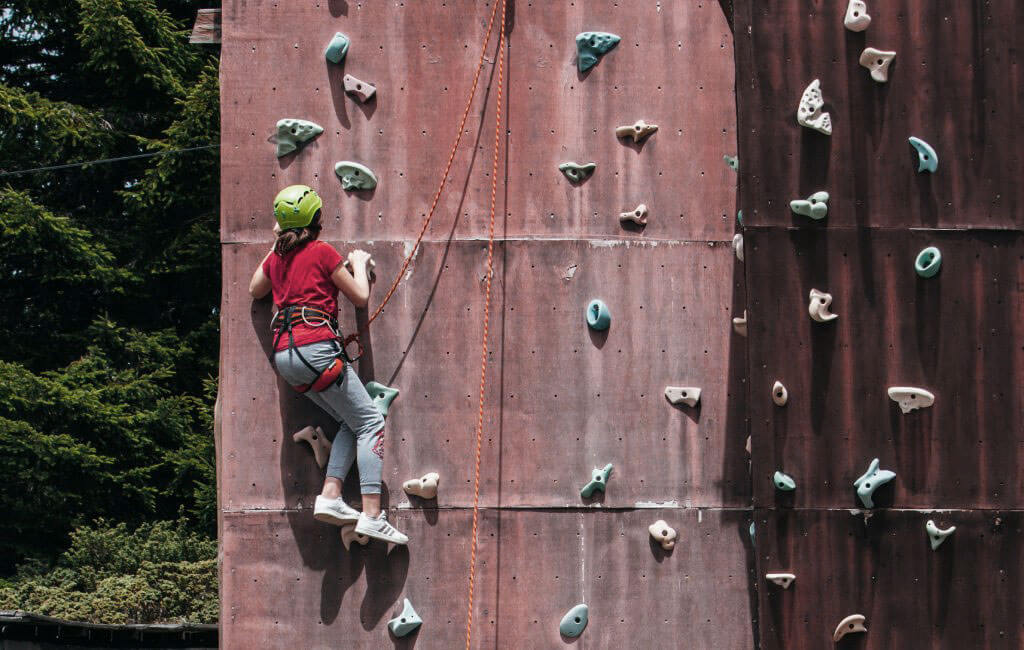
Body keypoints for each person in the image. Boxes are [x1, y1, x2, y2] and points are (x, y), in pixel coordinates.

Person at [248, 184, 408, 545]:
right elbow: (360, 296)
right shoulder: (321, 252)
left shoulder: (277, 258)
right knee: (370, 422)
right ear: (317, 219)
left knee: (350, 420)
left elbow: (255, 289)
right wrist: (359, 264)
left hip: (286, 357)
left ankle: (332, 496)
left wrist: (276, 244)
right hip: (317, 349)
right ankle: (372, 515)